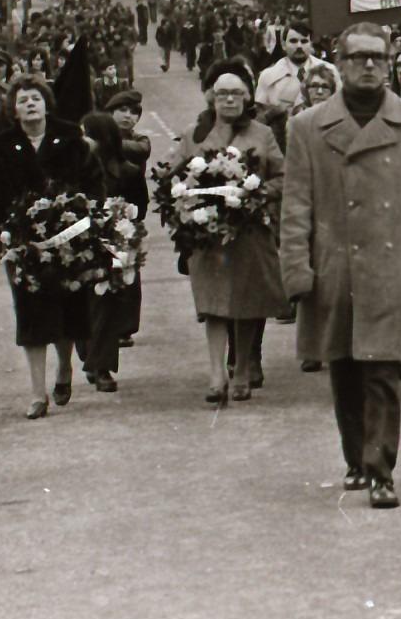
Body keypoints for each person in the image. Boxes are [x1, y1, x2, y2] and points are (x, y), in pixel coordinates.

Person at [280, 23, 401, 508]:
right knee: (344, 371)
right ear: (339, 62)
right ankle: (355, 457)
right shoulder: (307, 127)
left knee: (382, 374)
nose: (369, 65)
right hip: (334, 269)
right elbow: (295, 207)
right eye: (358, 57)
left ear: (391, 62)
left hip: (393, 268)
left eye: (378, 56)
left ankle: (381, 471)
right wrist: (296, 269)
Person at [165, 62, 289, 404]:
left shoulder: (262, 134)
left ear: (248, 96)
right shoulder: (195, 134)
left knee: (247, 301)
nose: (229, 100)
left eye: (236, 93)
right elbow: (171, 174)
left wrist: (257, 194)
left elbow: (282, 175)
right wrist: (184, 199)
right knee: (214, 303)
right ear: (211, 98)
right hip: (208, 234)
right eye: (222, 93)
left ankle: (243, 369)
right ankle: (217, 374)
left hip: (249, 232)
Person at [0, 76, 105, 420]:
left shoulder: (70, 137)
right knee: (31, 312)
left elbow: (93, 182)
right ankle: (38, 394)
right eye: (22, 100)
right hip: (26, 245)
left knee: (67, 310)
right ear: (14, 110)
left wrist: (82, 217)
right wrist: (8, 227)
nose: (30, 104)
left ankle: (65, 367)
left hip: (69, 241)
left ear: (46, 102)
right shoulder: (3, 145)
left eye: (35, 98)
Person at [78, 111, 146, 393]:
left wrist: (121, 220)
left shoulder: (127, 171)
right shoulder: (75, 171)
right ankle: (90, 357)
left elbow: (140, 206)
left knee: (107, 303)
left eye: (86, 134)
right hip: (81, 243)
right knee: (84, 303)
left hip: (115, 243)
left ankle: (102, 366)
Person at [106, 90, 150, 348]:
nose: (128, 116)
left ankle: (126, 327)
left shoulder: (139, 139)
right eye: (122, 110)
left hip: (131, 207)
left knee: (129, 266)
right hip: (102, 205)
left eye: (133, 112)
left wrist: (103, 139)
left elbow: (140, 151)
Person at [255, 21, 326, 117]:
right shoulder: (268, 76)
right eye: (293, 41)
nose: (299, 46)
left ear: (311, 44)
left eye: (304, 41)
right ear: (284, 45)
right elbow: (261, 116)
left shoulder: (329, 71)